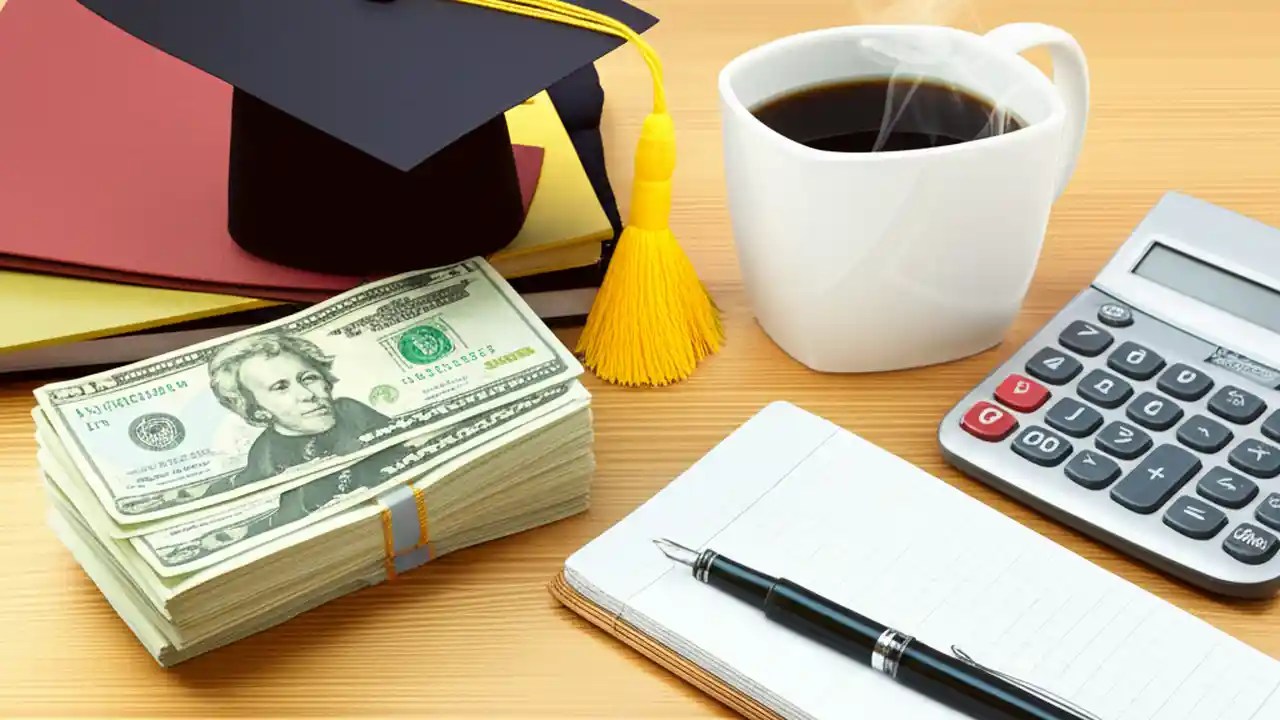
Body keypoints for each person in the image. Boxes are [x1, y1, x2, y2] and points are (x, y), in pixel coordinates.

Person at [208, 332, 390, 489]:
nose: (307, 394)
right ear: (258, 411)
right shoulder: (266, 457)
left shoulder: (351, 411)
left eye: (309, 378)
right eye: (280, 387)